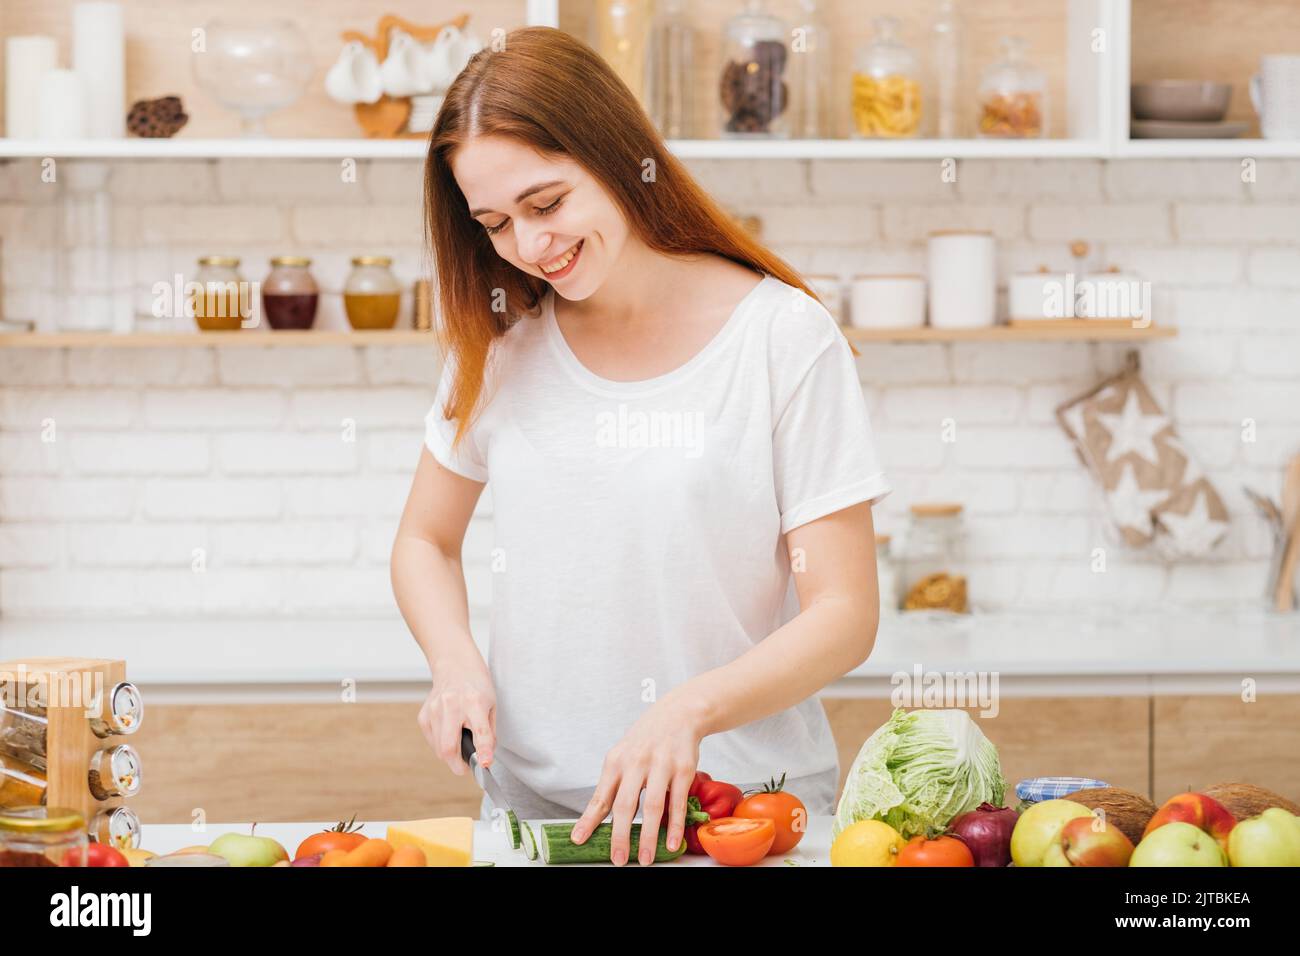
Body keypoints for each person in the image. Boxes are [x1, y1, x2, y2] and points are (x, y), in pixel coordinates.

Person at [391, 26, 890, 866]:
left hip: (739, 817)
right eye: (495, 223)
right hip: (541, 816)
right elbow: (424, 541)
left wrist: (687, 710)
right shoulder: (500, 342)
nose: (527, 246)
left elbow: (845, 612)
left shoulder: (780, 337)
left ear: (619, 157)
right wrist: (456, 665)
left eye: (546, 204)